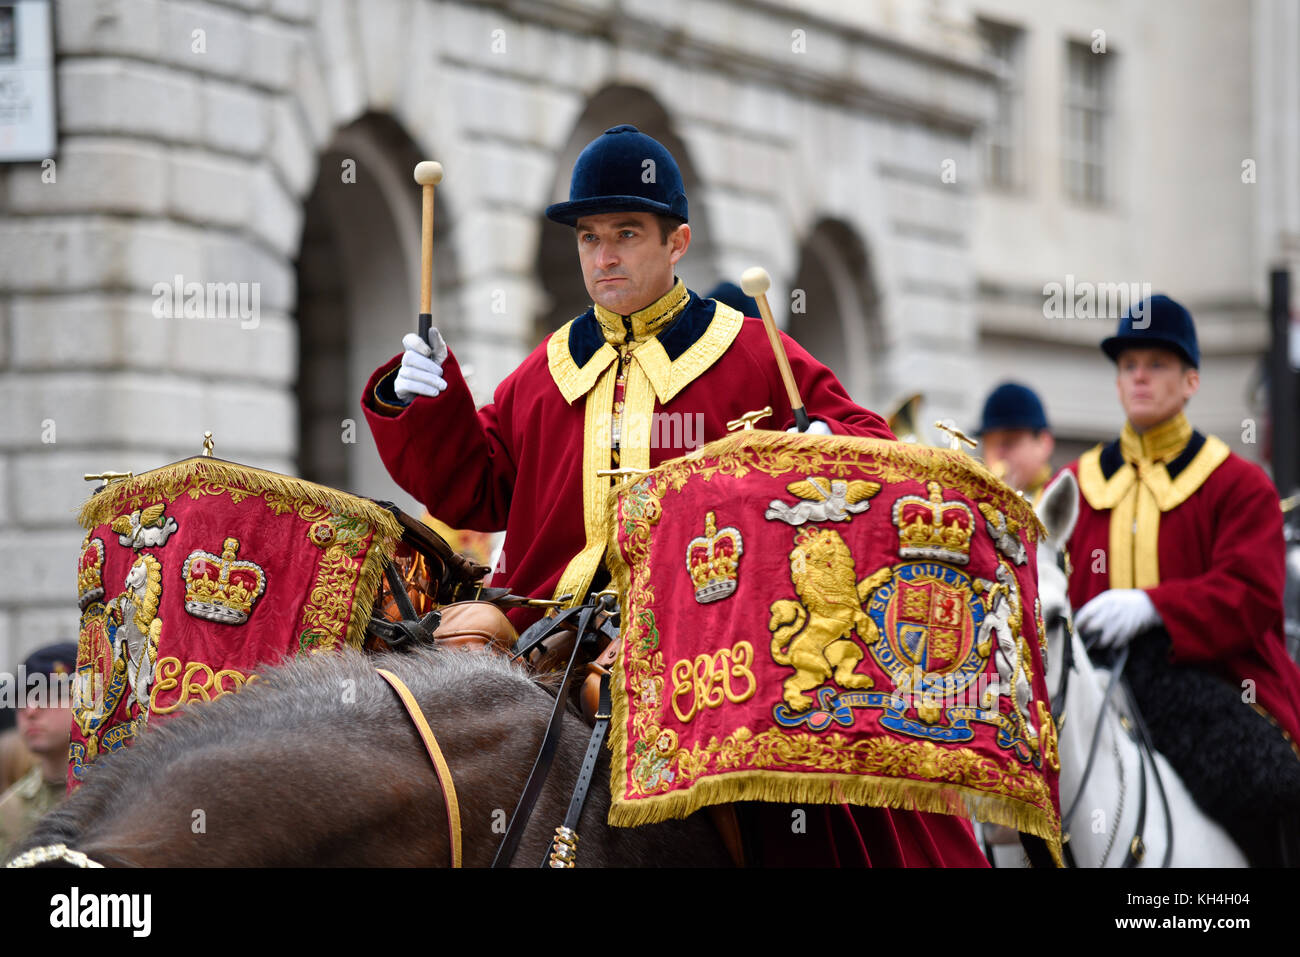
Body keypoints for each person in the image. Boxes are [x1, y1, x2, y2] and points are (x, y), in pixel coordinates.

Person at [362, 124, 994, 866]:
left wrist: (824, 442)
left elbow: (868, 446)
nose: (604, 256)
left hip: (703, 635)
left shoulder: (754, 352)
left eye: (626, 233)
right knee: (440, 660)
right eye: (589, 237)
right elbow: (477, 486)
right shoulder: (546, 369)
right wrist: (426, 400)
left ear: (677, 241)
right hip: (541, 621)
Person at [1064, 295, 1300, 865]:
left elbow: (1253, 594)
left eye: (1157, 364)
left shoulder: (1238, 483)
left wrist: (1155, 608)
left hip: (1219, 682)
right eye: (1128, 365)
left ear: (1192, 380)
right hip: (1094, 686)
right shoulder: (1077, 483)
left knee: (1274, 790)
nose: (1140, 376)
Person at [0, 643, 76, 857]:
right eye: (21, 698)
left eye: (49, 695)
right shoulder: (10, 808)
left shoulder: (121, 793)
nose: (30, 710)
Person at [976, 382, 1055, 506]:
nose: (998, 454)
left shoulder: (1057, 498)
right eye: (989, 444)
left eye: (1009, 442)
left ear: (1044, 443)